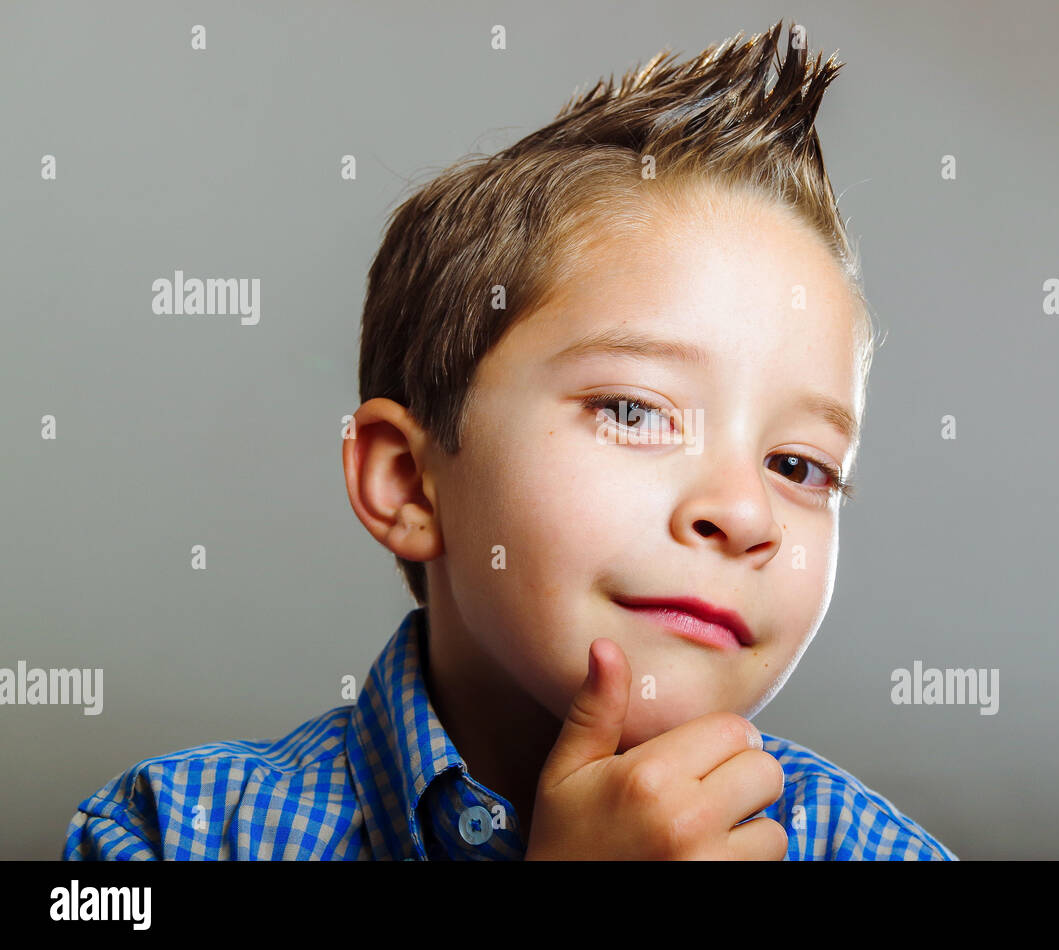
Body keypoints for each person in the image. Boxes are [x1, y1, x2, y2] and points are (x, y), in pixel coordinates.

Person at [64, 19, 956, 861]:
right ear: (410, 483)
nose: (742, 509)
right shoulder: (169, 835)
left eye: (797, 466)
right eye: (635, 411)